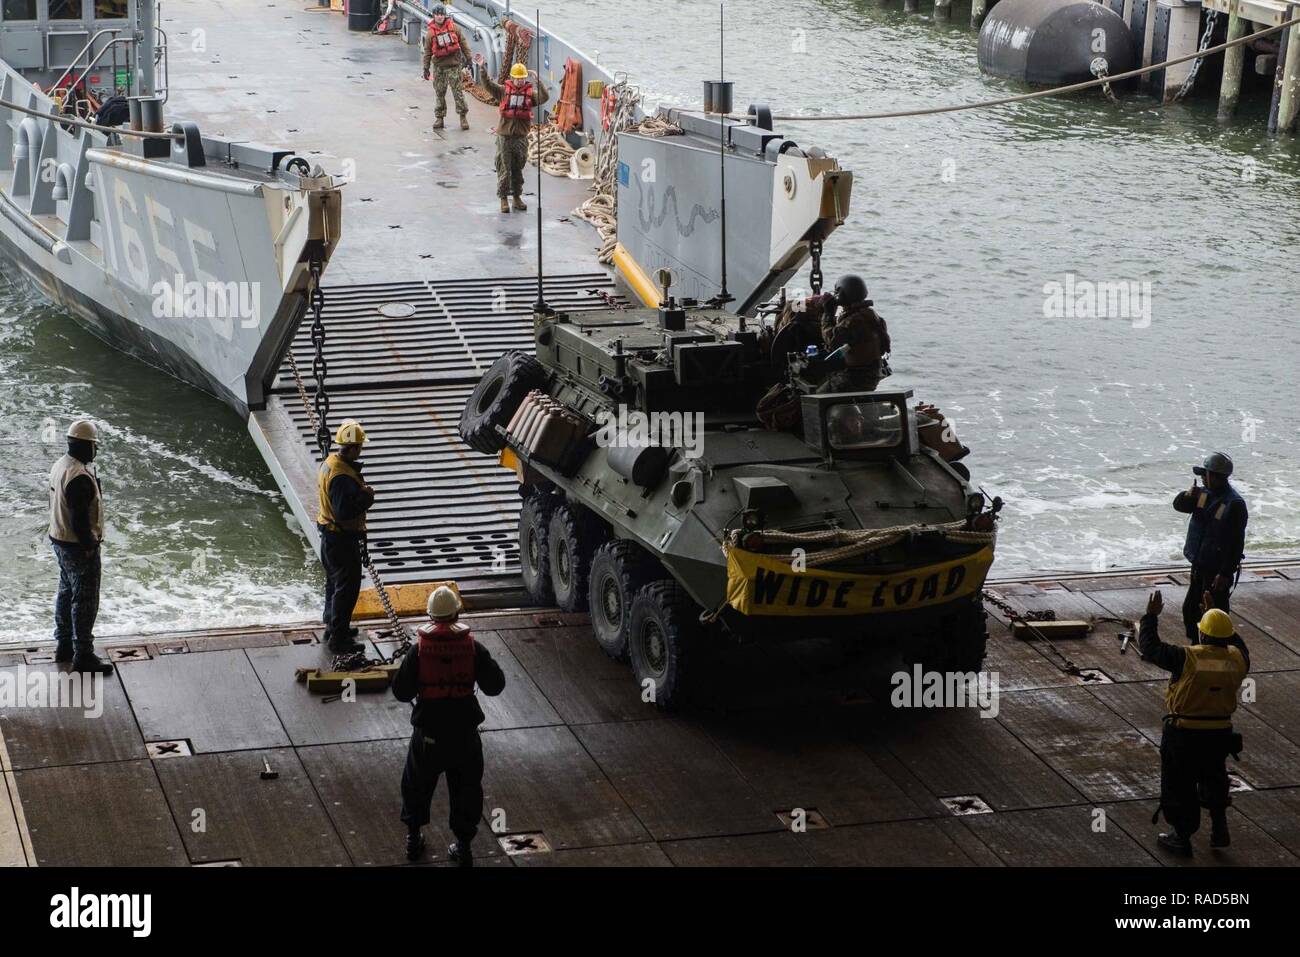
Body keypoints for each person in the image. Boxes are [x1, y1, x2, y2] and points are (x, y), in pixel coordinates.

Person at [392, 585, 505, 866]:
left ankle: (413, 837)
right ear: (457, 614)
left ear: (430, 616)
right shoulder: (473, 648)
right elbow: (495, 685)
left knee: (416, 785)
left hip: (429, 734)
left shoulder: (418, 651)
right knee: (467, 789)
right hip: (464, 734)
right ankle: (463, 846)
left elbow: (401, 692)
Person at [1139, 590, 1249, 856]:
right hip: (1220, 733)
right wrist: (1214, 612)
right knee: (1214, 777)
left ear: (1201, 634)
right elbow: (1235, 642)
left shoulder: (1187, 657)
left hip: (1185, 733)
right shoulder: (1238, 659)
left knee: (1180, 784)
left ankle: (1182, 836)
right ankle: (1219, 827)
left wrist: (1151, 617)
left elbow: (1150, 648)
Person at [48, 420, 113, 675]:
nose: (96, 451)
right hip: (77, 547)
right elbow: (79, 520)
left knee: (66, 593)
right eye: (94, 446)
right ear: (86, 446)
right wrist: (88, 546)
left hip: (59, 540)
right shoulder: (80, 477)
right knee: (85, 600)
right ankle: (83, 655)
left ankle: (63, 645)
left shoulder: (61, 465)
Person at [1172, 452, 1247, 643]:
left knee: (1215, 612)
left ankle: (1217, 648)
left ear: (1215, 476)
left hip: (1216, 570)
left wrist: (1225, 573)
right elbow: (1179, 506)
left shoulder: (1234, 504)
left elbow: (1237, 543)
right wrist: (1188, 496)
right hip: (1199, 563)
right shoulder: (1203, 494)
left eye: (1205, 475)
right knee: (1191, 609)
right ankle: (1196, 644)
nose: (1202, 478)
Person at [316, 420, 375, 655]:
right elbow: (344, 512)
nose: (360, 450)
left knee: (334, 583)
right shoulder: (341, 476)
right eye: (359, 446)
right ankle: (338, 639)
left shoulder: (330, 463)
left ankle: (333, 626)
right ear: (351, 448)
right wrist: (367, 498)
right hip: (340, 539)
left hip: (329, 538)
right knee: (347, 588)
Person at [474, 55, 550, 214]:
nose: (520, 81)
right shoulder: (503, 91)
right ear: (512, 78)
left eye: (523, 78)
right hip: (505, 137)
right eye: (518, 78)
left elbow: (544, 97)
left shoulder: (530, 95)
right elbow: (487, 85)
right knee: (504, 168)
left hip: (521, 138)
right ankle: (503, 198)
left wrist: (538, 81)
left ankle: (516, 197)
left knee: (518, 167)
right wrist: (482, 68)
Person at [817, 274, 891, 394]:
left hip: (855, 378)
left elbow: (831, 340)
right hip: (870, 374)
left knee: (814, 397)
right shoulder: (870, 315)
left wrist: (827, 314)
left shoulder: (854, 321)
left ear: (842, 294)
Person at [420, 4, 471, 131]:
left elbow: (463, 43)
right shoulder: (430, 34)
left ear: (445, 15)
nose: (439, 17)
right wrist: (425, 68)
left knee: (457, 92)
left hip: (454, 65)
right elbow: (427, 52)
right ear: (434, 15)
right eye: (437, 14)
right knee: (440, 92)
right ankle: (440, 118)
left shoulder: (455, 28)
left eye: (441, 14)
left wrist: (469, 58)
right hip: (439, 67)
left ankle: (463, 117)